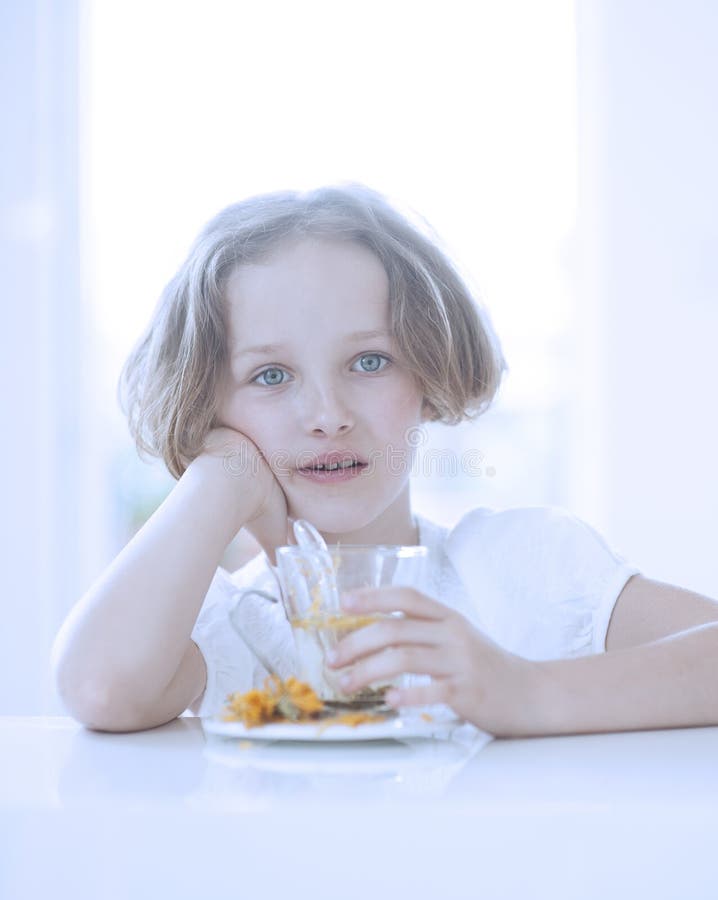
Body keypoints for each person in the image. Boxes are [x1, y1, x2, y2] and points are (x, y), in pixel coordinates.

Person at [51, 183, 718, 736]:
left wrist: (530, 693)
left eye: (370, 362)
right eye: (271, 376)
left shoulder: (523, 567)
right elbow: (100, 689)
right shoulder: (220, 627)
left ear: (427, 376)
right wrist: (220, 478)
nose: (327, 413)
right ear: (206, 404)